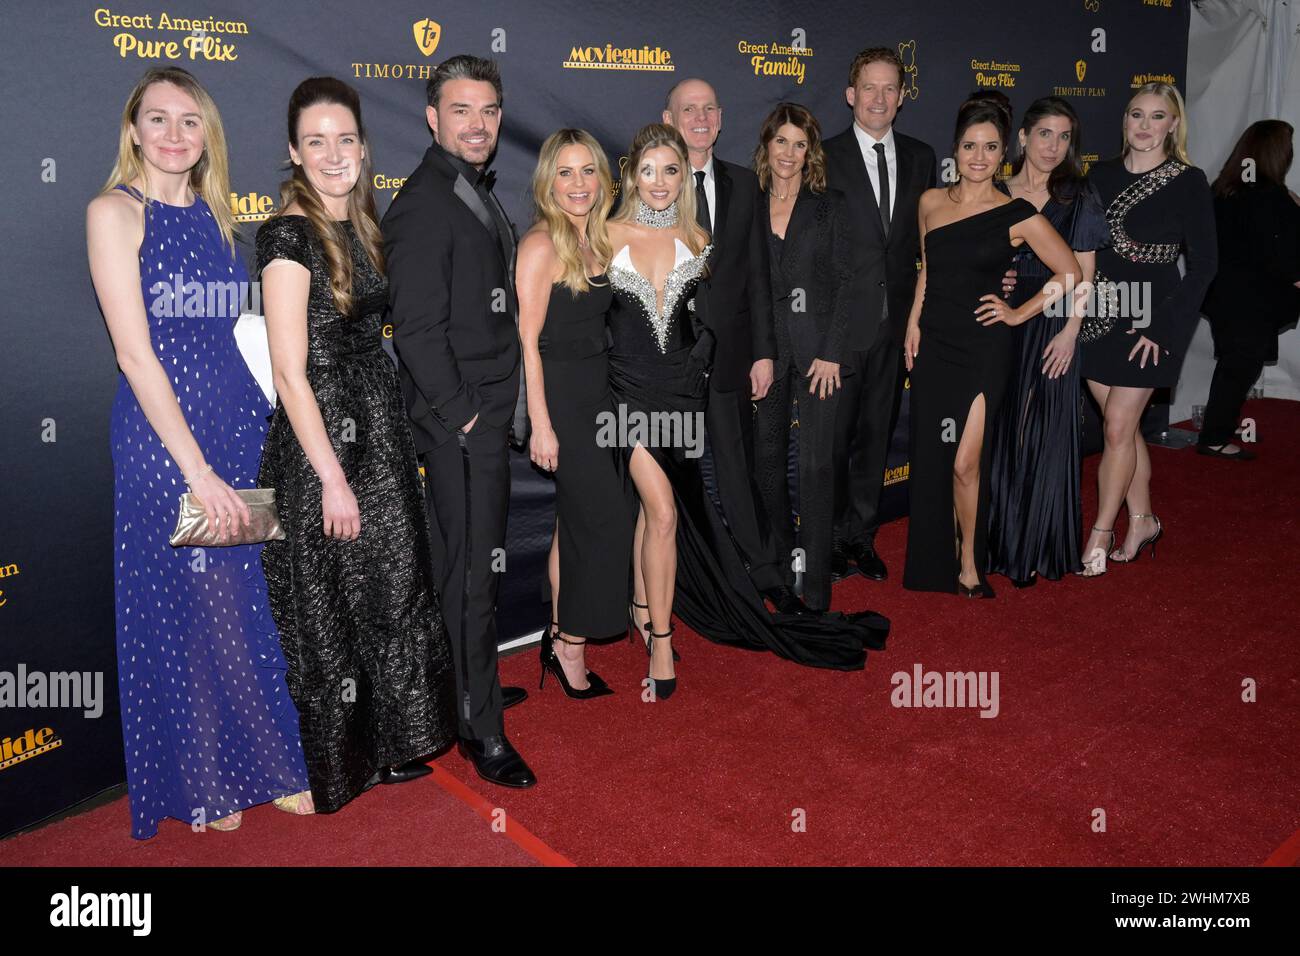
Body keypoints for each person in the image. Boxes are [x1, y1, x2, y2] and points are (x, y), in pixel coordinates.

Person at [88, 66, 310, 837]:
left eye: (190, 121)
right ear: (133, 130)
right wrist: (196, 469)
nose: (175, 135)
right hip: (165, 444)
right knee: (190, 608)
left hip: (235, 429)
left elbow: (232, 341)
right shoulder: (114, 214)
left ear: (207, 134)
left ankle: (265, 767)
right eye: (159, 119)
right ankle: (212, 780)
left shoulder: (220, 221)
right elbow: (137, 355)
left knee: (241, 603)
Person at [607, 124, 883, 692]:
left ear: (685, 176)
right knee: (664, 510)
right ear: (632, 174)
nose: (660, 182)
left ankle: (641, 605)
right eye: (649, 170)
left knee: (649, 508)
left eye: (672, 170)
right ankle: (662, 645)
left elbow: (722, 304)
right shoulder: (601, 235)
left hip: (680, 390)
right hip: (624, 393)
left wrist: (714, 352)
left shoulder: (696, 236)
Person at [256, 77, 458, 812]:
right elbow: (289, 369)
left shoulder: (362, 221)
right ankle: (336, 768)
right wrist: (333, 478)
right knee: (331, 604)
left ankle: (389, 742)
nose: (335, 153)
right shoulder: (288, 234)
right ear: (294, 152)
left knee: (392, 587)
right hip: (324, 445)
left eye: (346, 138)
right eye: (318, 141)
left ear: (364, 146)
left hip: (377, 427)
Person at [382, 55, 534, 788]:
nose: (478, 125)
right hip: (461, 428)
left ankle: (463, 692)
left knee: (469, 571)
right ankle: (480, 731)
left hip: (481, 414)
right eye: (462, 111)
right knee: (472, 577)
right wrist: (469, 418)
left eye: (489, 111)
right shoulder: (420, 205)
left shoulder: (465, 188)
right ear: (432, 117)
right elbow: (414, 332)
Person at [902, 95, 1081, 598]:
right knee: (935, 458)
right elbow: (927, 270)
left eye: (990, 147)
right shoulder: (931, 203)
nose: (978, 157)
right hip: (936, 342)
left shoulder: (1018, 213)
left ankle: (969, 563)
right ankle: (934, 563)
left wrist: (1018, 313)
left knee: (965, 462)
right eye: (968, 146)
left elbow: (1069, 272)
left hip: (984, 347)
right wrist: (913, 324)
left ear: (1005, 153)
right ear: (955, 149)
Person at [661, 79, 807, 615]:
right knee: (675, 475)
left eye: (708, 109)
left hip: (733, 356)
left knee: (738, 468)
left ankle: (764, 571)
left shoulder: (746, 184)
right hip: (669, 361)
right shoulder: (649, 183)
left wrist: (765, 351)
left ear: (720, 119)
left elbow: (760, 277)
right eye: (688, 110)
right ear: (670, 119)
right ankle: (687, 579)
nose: (700, 118)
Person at [1078, 82, 1218, 574]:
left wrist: (1162, 328)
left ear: (1173, 124)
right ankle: (1143, 519)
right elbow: (1082, 248)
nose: (1144, 125)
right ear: (1125, 121)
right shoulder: (1099, 174)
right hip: (1100, 314)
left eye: (1157, 116)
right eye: (1136, 114)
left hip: (1153, 320)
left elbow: (1203, 265)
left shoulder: (1188, 180)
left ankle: (1100, 532)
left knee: (1116, 427)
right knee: (1125, 429)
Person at [516, 129, 631, 699]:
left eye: (588, 171)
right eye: (566, 172)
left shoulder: (600, 241)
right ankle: (572, 645)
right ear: (547, 181)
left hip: (598, 393)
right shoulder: (541, 245)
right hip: (561, 397)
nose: (579, 183)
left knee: (572, 522)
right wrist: (540, 422)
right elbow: (527, 341)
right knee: (601, 522)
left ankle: (560, 635)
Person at [823, 47, 937, 583]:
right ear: (851, 95)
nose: (879, 98)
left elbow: (936, 239)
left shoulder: (921, 156)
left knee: (875, 437)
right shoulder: (822, 157)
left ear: (901, 98)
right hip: (840, 329)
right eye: (869, 87)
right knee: (833, 440)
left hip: (898, 328)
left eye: (890, 88)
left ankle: (860, 538)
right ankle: (827, 540)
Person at [987, 97, 1108, 587]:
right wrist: (1002, 282)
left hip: (1055, 323)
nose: (1053, 146)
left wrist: (1070, 332)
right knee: (1001, 430)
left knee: (1046, 433)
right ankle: (998, 543)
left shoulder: (1077, 194)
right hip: (1001, 326)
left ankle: (1039, 544)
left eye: (1063, 137)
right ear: (1022, 137)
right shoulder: (995, 190)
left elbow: (1086, 273)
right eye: (1044, 134)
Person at [751, 102, 857, 611]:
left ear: (809, 150)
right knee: (767, 462)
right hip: (766, 353)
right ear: (766, 146)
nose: (789, 153)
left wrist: (834, 352)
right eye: (781, 142)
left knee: (815, 467)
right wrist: (756, 351)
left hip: (820, 355)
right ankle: (777, 564)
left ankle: (816, 587)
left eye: (799, 143)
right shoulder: (747, 203)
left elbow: (846, 281)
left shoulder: (828, 205)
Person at [1199, 120, 1300, 460]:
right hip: (1250, 300)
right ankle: (1214, 438)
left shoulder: (1223, 189)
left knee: (1234, 364)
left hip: (1222, 294)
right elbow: (1284, 253)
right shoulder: (1272, 198)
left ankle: (1215, 433)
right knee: (1239, 367)